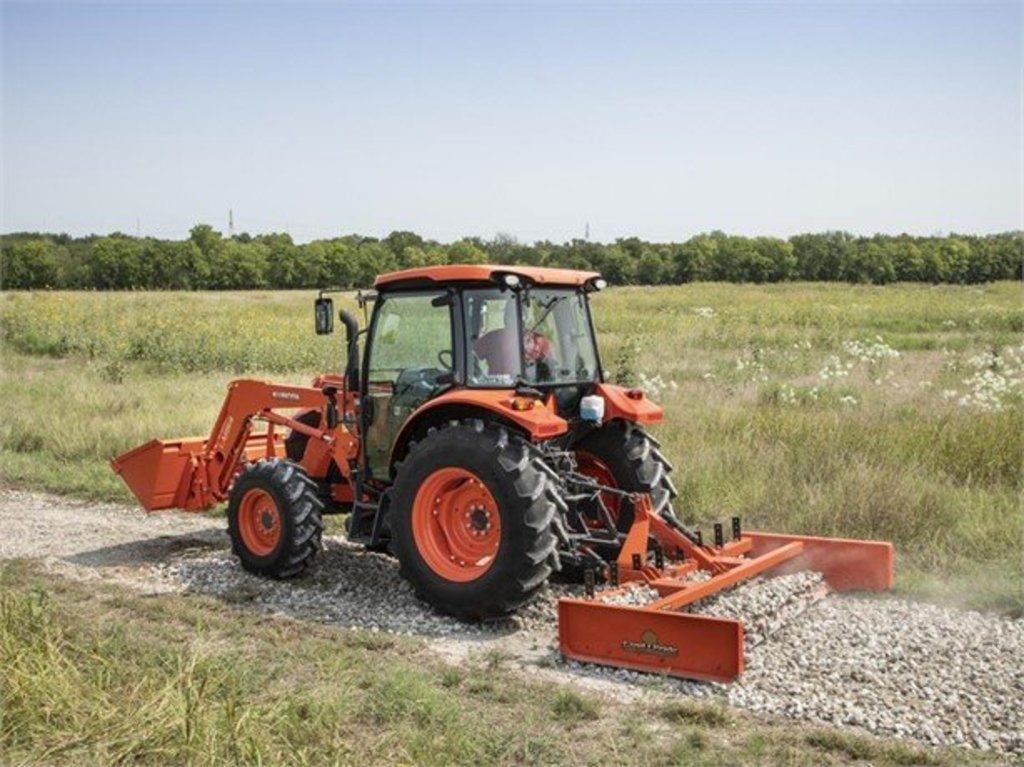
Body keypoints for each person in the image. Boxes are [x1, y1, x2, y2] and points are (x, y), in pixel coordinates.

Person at [473, 298, 551, 378]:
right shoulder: (493, 337)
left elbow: (550, 368)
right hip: (497, 387)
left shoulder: (539, 341)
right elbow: (472, 356)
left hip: (530, 387)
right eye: (509, 315)